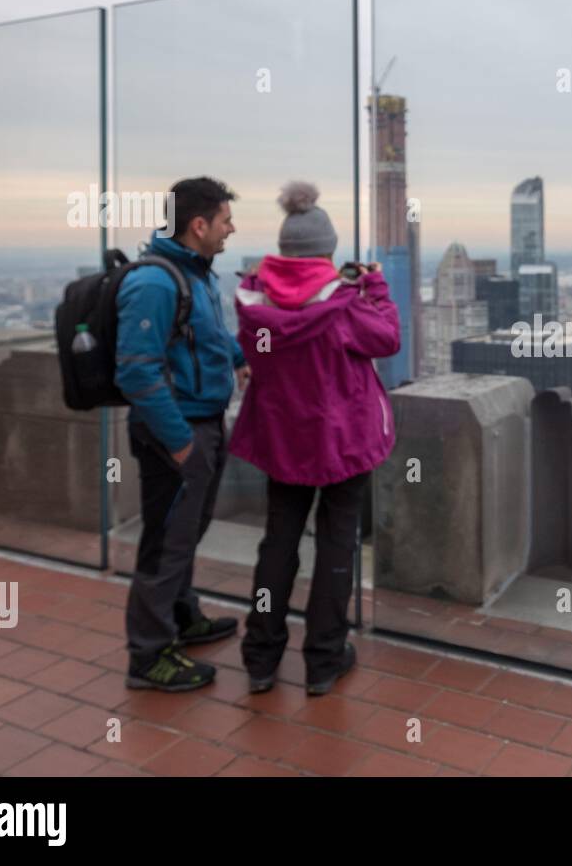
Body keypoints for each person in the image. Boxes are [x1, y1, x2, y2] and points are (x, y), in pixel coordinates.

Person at [231, 181, 400, 695]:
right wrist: (375, 288)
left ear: (284, 251)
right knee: (336, 546)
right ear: (327, 252)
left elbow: (260, 359)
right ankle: (324, 658)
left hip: (284, 439)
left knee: (277, 544)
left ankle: (261, 655)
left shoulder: (253, 299)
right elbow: (387, 338)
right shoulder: (345, 304)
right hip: (342, 440)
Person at [114, 176, 250, 692]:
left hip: (202, 423)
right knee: (165, 542)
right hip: (175, 432)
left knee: (186, 532)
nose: (230, 229)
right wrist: (181, 443)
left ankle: (180, 615)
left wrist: (237, 360)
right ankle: (148, 656)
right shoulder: (154, 282)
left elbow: (207, 333)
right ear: (199, 225)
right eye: (224, 220)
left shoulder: (197, 274)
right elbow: (137, 372)